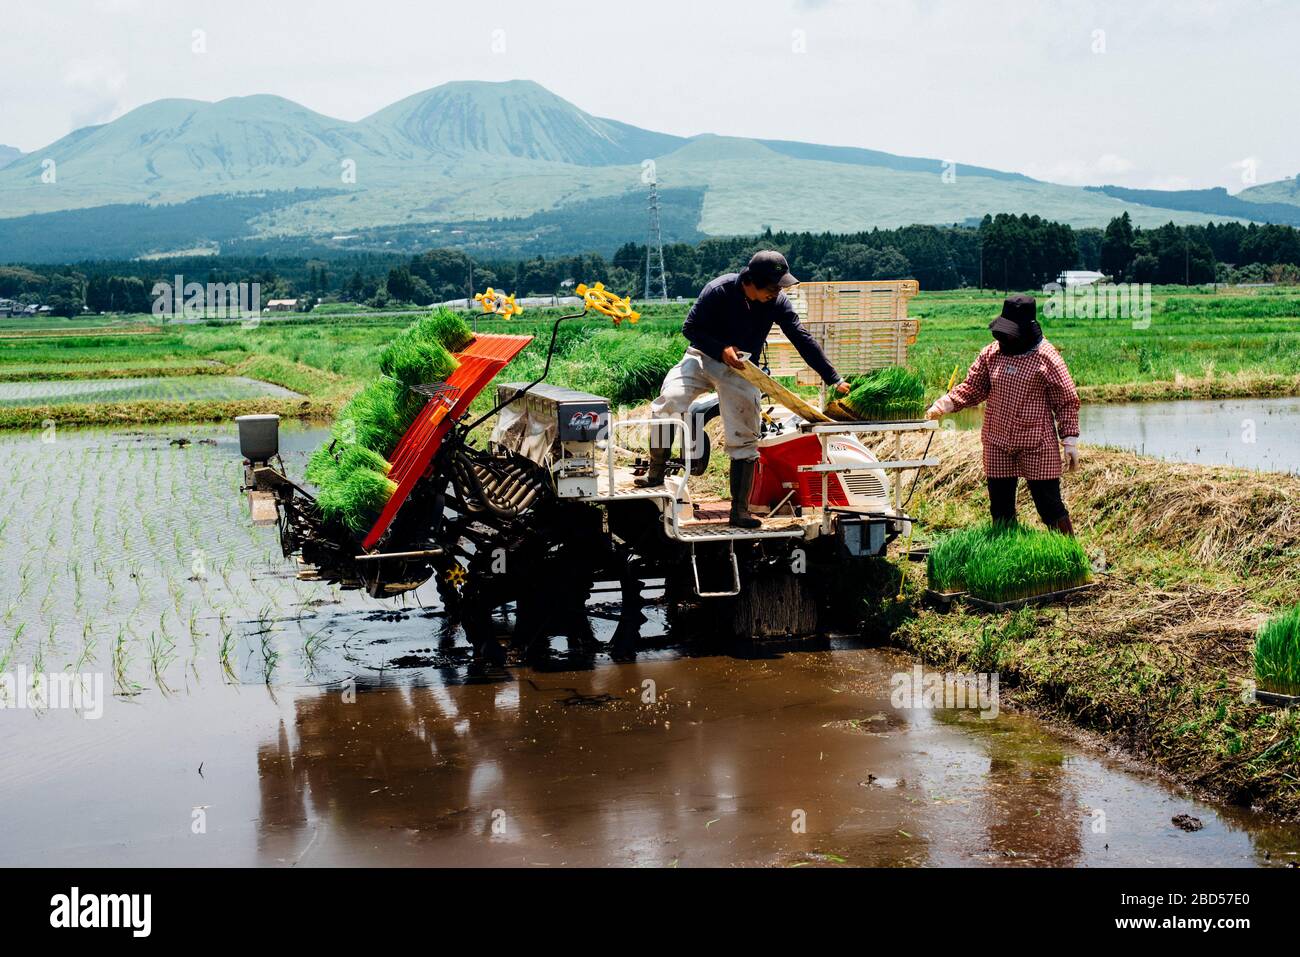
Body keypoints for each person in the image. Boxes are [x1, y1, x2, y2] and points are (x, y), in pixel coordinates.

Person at [636, 251, 851, 529]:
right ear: (750, 281)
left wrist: (834, 378)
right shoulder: (718, 290)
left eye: (780, 287)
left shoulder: (777, 303)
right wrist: (721, 348)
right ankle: (655, 473)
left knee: (745, 433)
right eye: (773, 287)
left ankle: (739, 511)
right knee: (669, 402)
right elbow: (691, 328)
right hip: (701, 357)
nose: (777, 293)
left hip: (742, 368)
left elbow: (801, 337)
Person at [925, 294, 1080, 534]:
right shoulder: (992, 354)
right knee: (1000, 507)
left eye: (1011, 333)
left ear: (1026, 329)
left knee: (1049, 505)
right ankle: (1005, 549)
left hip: (1035, 442)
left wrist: (1069, 439)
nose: (1005, 338)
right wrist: (944, 404)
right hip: (997, 440)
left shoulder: (1046, 357)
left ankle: (1069, 554)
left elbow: (1066, 400)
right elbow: (974, 387)